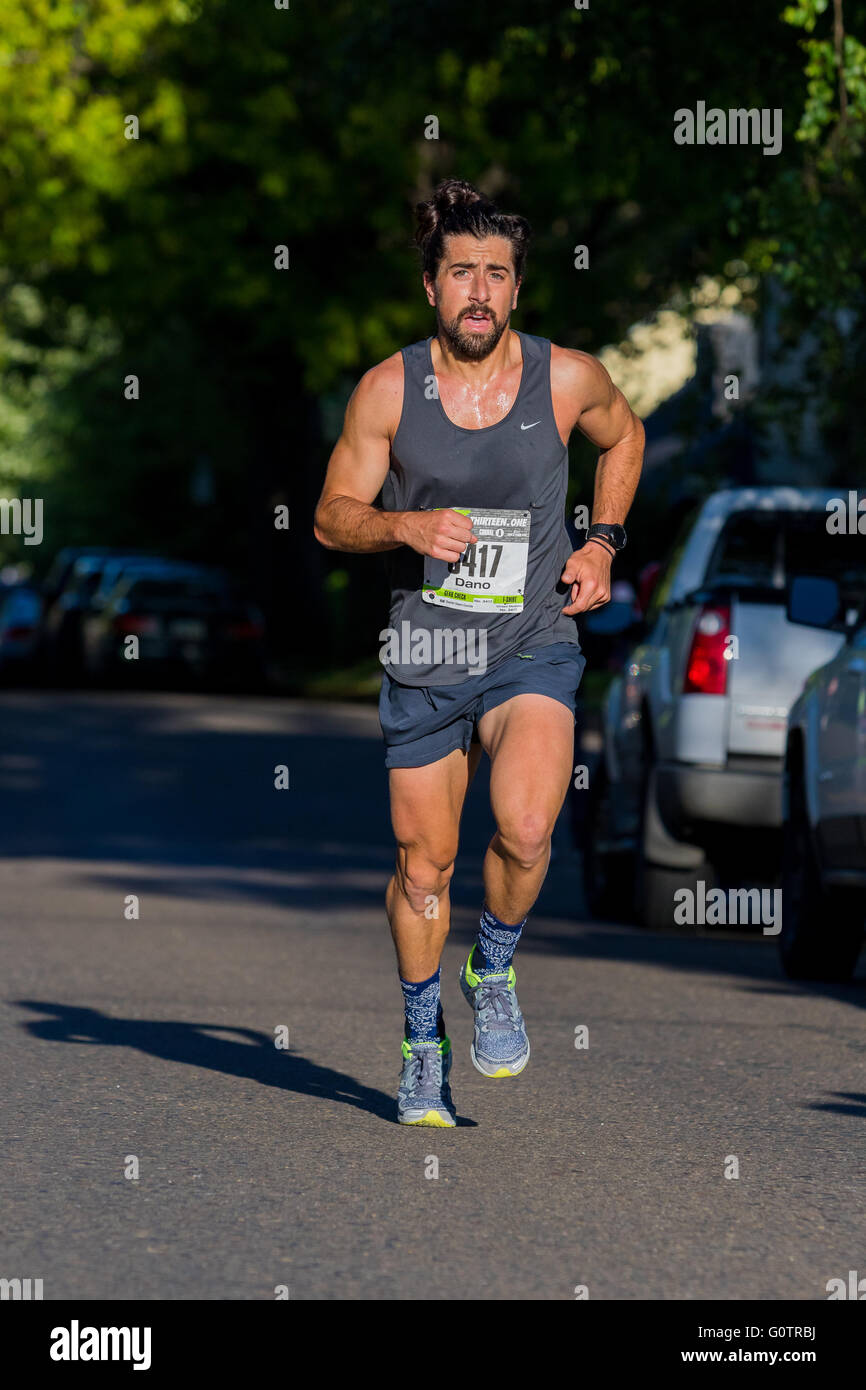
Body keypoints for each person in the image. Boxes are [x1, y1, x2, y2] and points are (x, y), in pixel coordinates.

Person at [314, 179, 643, 1125]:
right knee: (424, 868)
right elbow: (333, 519)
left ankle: (491, 964)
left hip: (529, 642)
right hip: (425, 648)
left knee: (530, 828)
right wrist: (406, 525)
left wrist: (601, 541)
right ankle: (424, 1041)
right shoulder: (387, 390)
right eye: (462, 272)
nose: (480, 291)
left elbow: (627, 439)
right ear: (431, 287)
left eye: (497, 275)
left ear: (516, 289)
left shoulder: (565, 377)